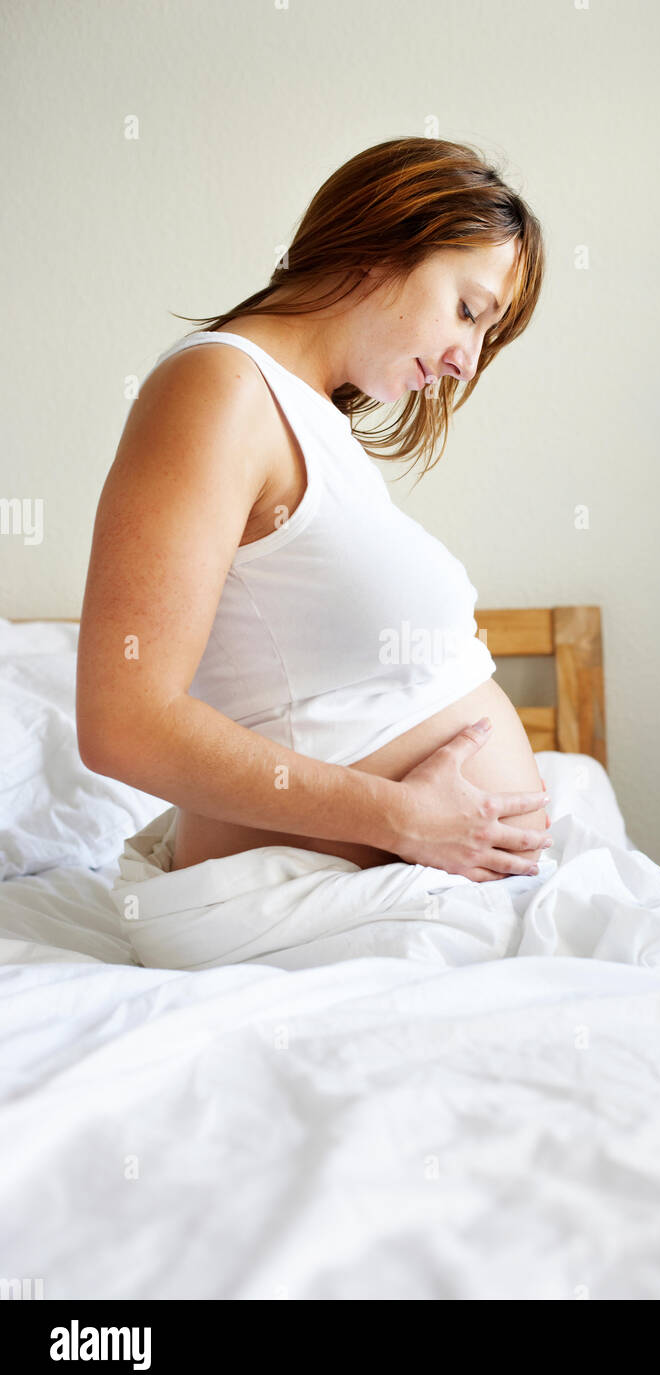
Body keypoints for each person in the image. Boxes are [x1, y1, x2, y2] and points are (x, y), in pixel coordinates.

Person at [76, 137, 552, 883]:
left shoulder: (310, 420)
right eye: (466, 309)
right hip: (290, 910)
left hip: (378, 902)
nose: (465, 359)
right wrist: (401, 818)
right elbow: (123, 722)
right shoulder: (219, 388)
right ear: (381, 245)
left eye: (484, 333)